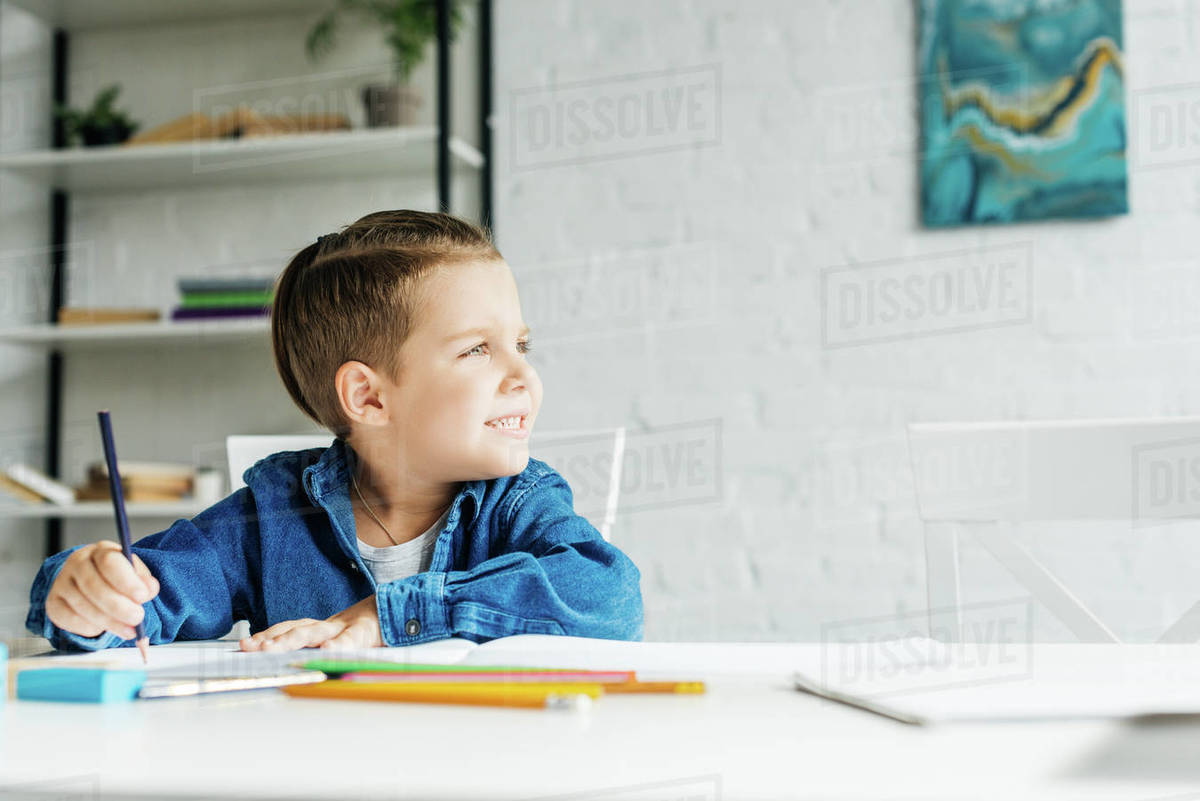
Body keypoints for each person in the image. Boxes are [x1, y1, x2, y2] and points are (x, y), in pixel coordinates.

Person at [25, 210, 643, 652]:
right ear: (369, 397)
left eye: (521, 344)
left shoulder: (520, 502)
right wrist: (87, 593)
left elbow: (609, 597)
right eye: (478, 350)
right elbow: (152, 600)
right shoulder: (273, 515)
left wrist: (390, 615)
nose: (523, 376)